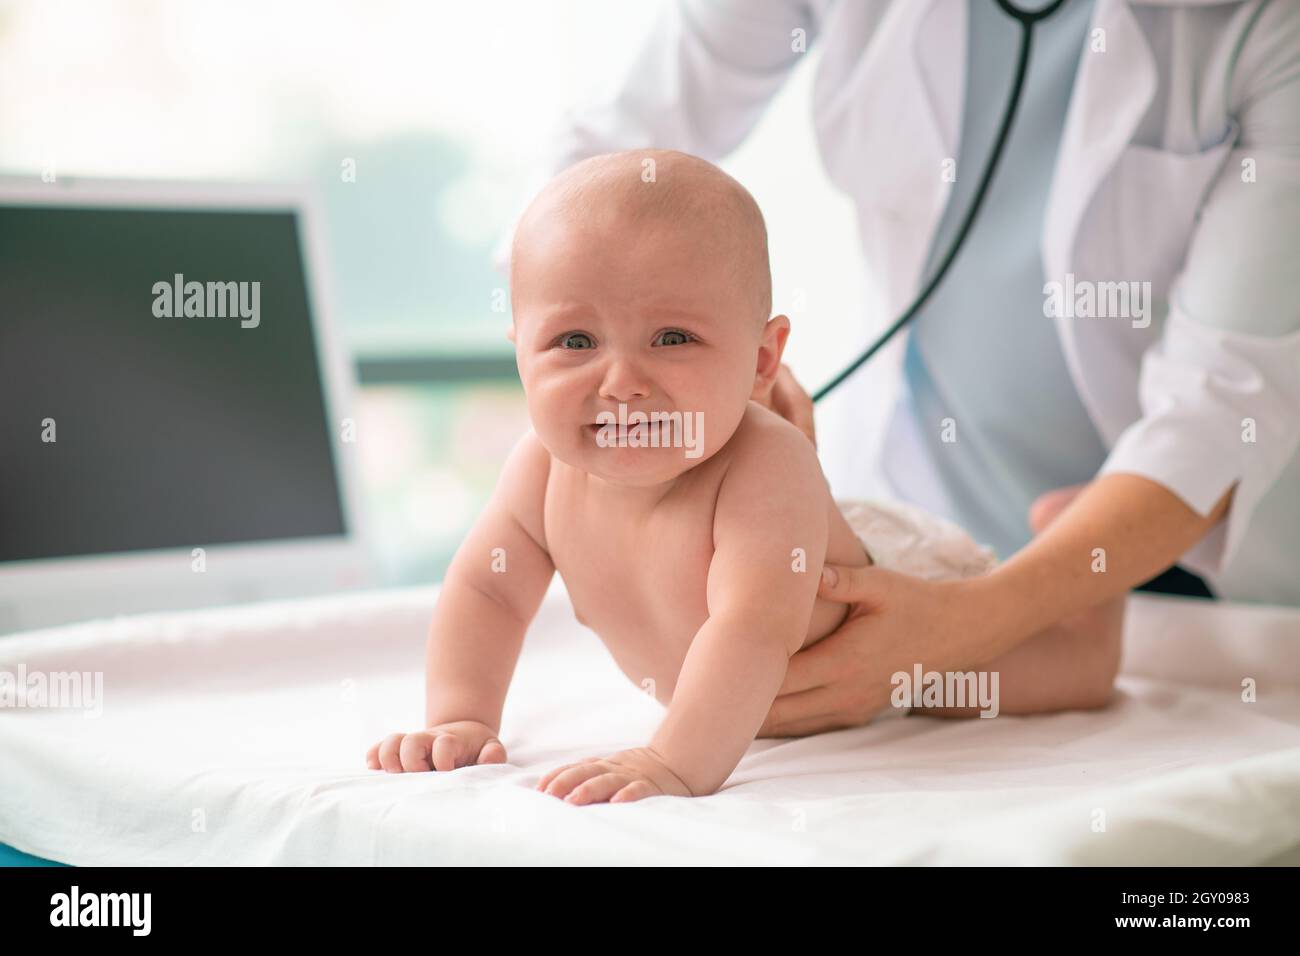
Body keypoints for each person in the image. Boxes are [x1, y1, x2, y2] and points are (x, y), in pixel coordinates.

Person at [493, 0, 1300, 735]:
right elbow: (597, 174)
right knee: (914, 675)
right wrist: (459, 719)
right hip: (934, 485)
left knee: (965, 676)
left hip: (1185, 545)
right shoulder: (548, 472)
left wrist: (668, 765)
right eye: (573, 343)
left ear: (764, 352)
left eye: (670, 339)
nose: (622, 379)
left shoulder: (1262, 23)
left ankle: (1088, 627)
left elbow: (1224, 406)